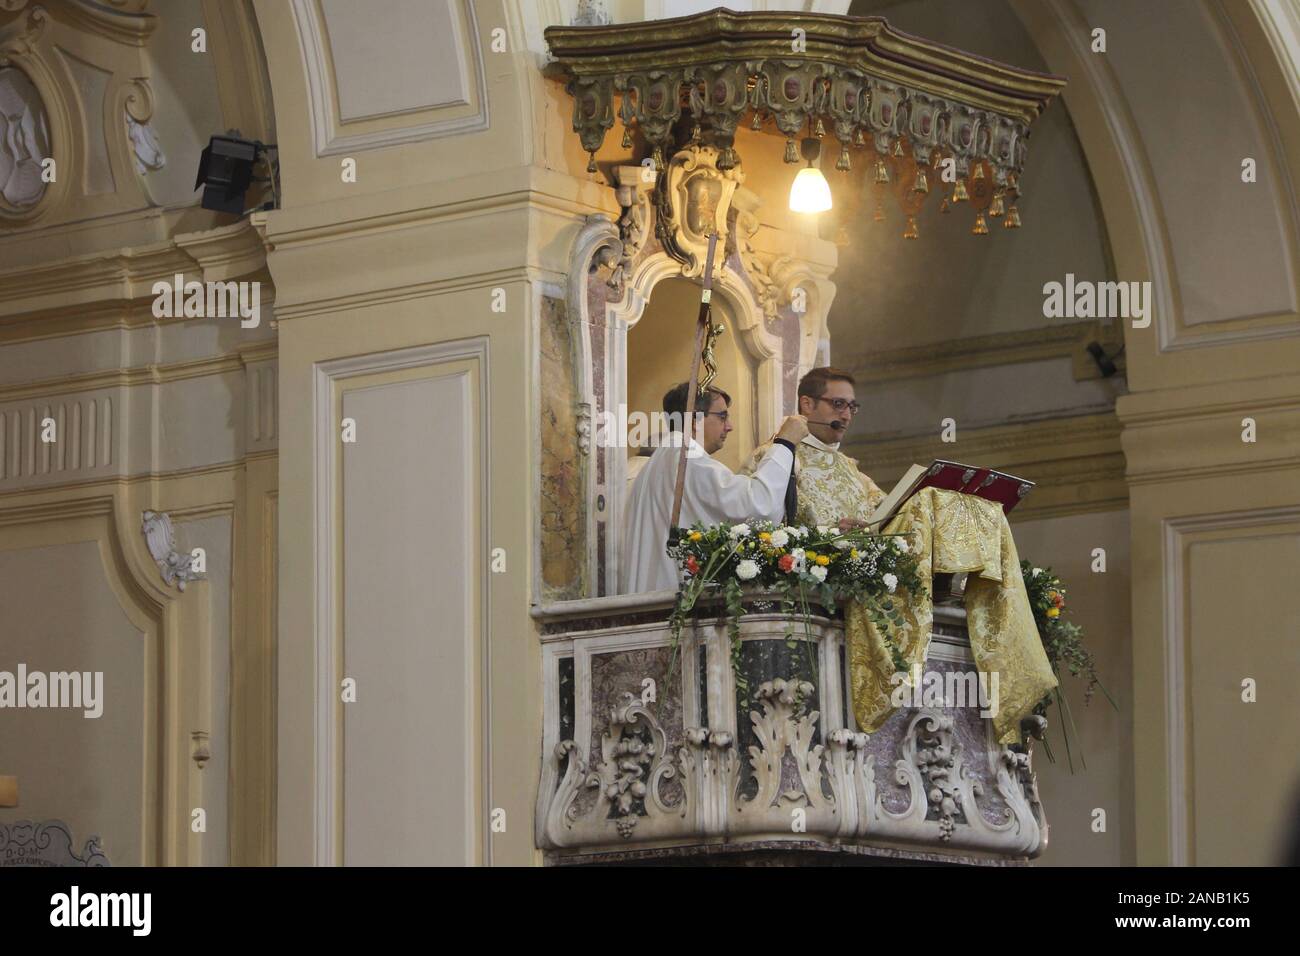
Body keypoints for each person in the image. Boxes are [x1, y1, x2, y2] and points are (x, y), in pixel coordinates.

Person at [619, 382, 809, 593]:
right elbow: (757, 505)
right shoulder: (686, 458)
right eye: (722, 416)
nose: (730, 426)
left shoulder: (664, 458)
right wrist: (785, 443)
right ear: (694, 420)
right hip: (676, 602)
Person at [739, 366, 885, 529]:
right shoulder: (772, 457)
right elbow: (754, 525)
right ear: (807, 404)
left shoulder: (851, 468)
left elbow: (887, 516)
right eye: (838, 404)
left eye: (851, 407)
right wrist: (832, 536)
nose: (847, 416)